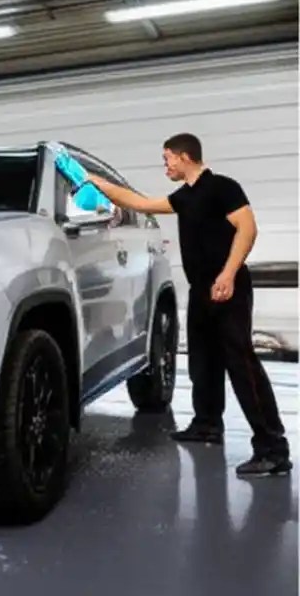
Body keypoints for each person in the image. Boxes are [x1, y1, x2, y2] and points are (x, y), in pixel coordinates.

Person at [87, 133, 290, 478]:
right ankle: (207, 423)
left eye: (167, 158)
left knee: (242, 365)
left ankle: (273, 449)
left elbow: (247, 229)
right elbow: (140, 203)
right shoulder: (186, 197)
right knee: (202, 359)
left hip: (228, 287)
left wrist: (228, 274)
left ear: (183, 157)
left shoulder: (223, 187)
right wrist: (97, 183)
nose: (165, 164)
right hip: (201, 290)